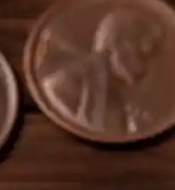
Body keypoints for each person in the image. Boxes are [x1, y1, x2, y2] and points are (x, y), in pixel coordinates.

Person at [40, 8, 163, 137]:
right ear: (116, 45)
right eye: (142, 54)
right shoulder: (60, 87)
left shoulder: (118, 100)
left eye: (152, 56)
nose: (146, 68)